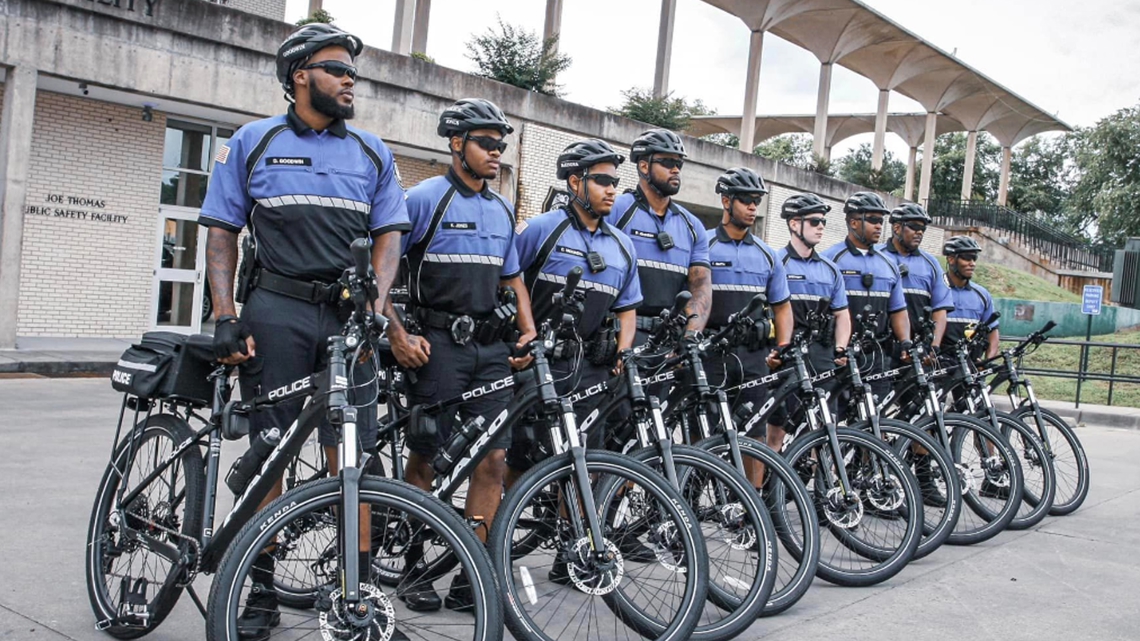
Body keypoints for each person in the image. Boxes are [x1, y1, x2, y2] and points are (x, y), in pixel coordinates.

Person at [198, 23, 410, 640]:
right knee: (272, 451)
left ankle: (362, 594)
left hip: (350, 320)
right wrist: (223, 315)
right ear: (299, 76)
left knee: (357, 456)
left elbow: (391, 232)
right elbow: (221, 231)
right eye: (337, 67)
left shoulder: (372, 151)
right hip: (277, 310)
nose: (350, 78)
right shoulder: (252, 142)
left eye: (352, 70)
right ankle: (259, 589)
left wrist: (377, 298)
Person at [385, 98, 537, 613]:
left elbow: (512, 277)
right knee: (427, 456)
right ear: (456, 145)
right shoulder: (425, 198)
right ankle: (411, 567)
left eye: (501, 145)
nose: (497, 153)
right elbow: (383, 265)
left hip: (491, 350)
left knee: (492, 459)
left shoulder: (499, 207)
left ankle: (470, 572)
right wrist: (397, 333)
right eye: (486, 143)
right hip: (439, 346)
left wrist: (528, 331)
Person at [511, 139, 645, 579]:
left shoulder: (622, 245)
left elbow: (628, 307)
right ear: (575, 182)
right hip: (536, 364)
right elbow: (509, 285)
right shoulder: (542, 229)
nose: (612, 189)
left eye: (615, 181)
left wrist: (624, 350)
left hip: (590, 366)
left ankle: (570, 557)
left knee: (582, 458)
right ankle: (492, 553)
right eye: (603, 180)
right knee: (515, 459)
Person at [703, 167, 792, 488]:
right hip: (713, 355)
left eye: (757, 201)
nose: (754, 207)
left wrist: (782, 348)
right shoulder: (704, 246)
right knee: (709, 433)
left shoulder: (768, 255)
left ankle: (750, 504)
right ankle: (701, 499)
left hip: (755, 357)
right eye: (746, 200)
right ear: (726, 201)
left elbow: (782, 307)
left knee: (755, 432)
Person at [770, 194, 850, 465]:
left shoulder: (830, 268)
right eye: (815, 221)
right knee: (779, 424)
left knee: (825, 424)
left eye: (823, 222)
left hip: (822, 352)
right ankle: (772, 486)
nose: (821, 227)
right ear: (794, 224)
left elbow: (842, 314)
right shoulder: (776, 261)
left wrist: (840, 347)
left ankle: (821, 493)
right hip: (787, 353)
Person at [612, 129, 712, 340]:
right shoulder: (615, 211)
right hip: (621, 332)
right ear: (644, 166)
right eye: (667, 162)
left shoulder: (693, 225)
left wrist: (690, 337)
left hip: (670, 337)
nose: (675, 169)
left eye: (679, 164)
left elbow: (700, 287)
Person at [821, 191, 910, 420]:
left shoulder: (889, 264)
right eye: (872, 219)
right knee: (829, 422)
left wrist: (906, 343)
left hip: (876, 355)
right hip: (839, 355)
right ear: (853, 222)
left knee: (873, 422)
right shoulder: (830, 259)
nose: (879, 226)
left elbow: (898, 311)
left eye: (881, 220)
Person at [879, 203, 953, 350]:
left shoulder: (931, 263)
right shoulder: (877, 256)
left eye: (923, 229)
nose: (919, 232)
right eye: (914, 227)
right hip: (881, 348)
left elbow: (940, 309)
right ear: (896, 228)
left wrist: (934, 345)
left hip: (917, 350)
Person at [942, 235, 999, 359]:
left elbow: (993, 332)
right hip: (940, 368)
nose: (972, 263)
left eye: (974, 258)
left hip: (971, 368)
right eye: (967, 258)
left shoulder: (982, 294)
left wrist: (986, 362)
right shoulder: (936, 289)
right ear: (951, 259)